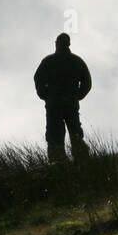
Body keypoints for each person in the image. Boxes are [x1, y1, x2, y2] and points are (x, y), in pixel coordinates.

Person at [33, 33, 91, 162]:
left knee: (55, 134)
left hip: (54, 104)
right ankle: (82, 159)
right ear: (68, 44)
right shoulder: (77, 61)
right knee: (75, 133)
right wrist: (78, 95)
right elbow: (87, 82)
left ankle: (58, 162)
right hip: (71, 104)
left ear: (57, 43)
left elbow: (38, 79)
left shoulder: (48, 61)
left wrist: (44, 94)